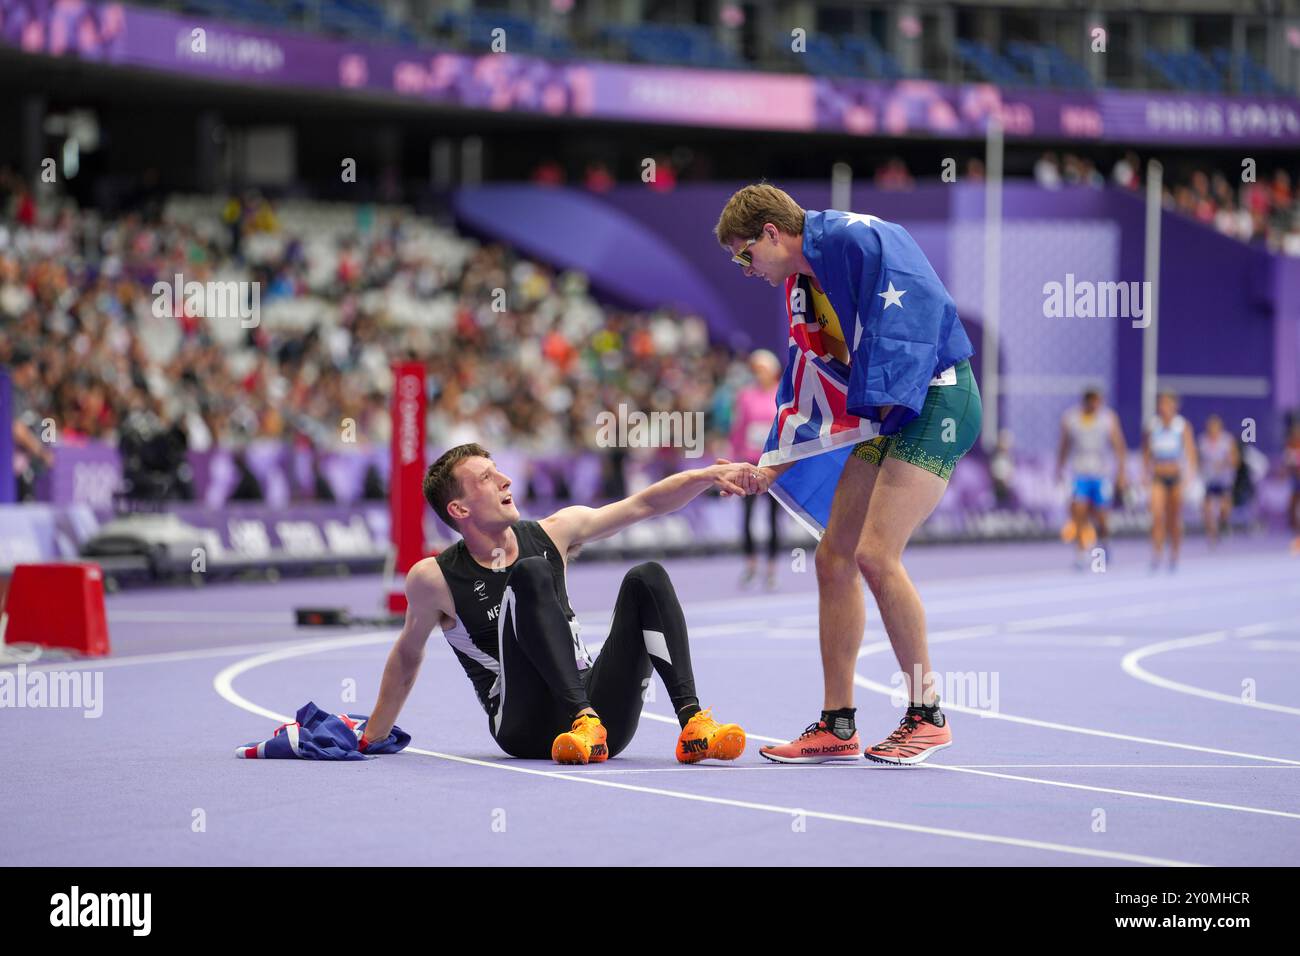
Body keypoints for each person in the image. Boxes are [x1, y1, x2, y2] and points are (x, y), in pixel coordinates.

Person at [715, 184, 981, 765]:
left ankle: (927, 714)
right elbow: (807, 374)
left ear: (771, 234)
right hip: (888, 414)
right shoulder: (801, 285)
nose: (744, 269)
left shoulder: (855, 237)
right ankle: (838, 725)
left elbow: (916, 308)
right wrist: (769, 465)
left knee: (875, 554)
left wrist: (883, 411)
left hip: (934, 399)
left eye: (744, 255)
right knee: (834, 557)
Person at [360, 443, 749, 766]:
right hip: (524, 724)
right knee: (530, 574)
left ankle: (693, 724)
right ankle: (581, 718)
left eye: (497, 470)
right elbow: (408, 654)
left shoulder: (554, 533)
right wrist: (373, 733)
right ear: (460, 510)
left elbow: (644, 505)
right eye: (486, 478)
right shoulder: (434, 578)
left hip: (603, 716)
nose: (505, 479)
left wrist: (705, 476)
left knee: (647, 577)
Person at [1055, 387, 1127, 569]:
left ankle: (1103, 550)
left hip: (1100, 475)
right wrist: (1059, 467)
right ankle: (1080, 555)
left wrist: (1121, 473)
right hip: (1079, 474)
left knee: (1101, 518)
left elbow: (1119, 446)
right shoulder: (1071, 419)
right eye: (1094, 402)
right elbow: (1064, 445)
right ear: (1086, 401)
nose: (1097, 405)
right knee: (1079, 513)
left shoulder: (1108, 419)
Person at [730, 349, 782, 589]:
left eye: (762, 369)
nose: (758, 374)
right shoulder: (745, 396)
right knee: (748, 516)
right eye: (755, 370)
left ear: (772, 371)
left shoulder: (782, 394)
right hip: (749, 464)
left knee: (773, 518)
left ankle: (771, 569)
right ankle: (750, 564)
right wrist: (734, 458)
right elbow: (739, 429)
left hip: (772, 464)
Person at [1143, 391, 1197, 572]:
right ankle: (1156, 554)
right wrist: (1145, 473)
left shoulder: (1181, 426)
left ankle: (1174, 555)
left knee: (1174, 519)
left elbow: (1190, 452)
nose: (1163, 408)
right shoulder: (1153, 426)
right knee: (1157, 516)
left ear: (1175, 406)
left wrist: (1190, 475)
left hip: (1176, 477)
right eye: (1161, 404)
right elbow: (1147, 453)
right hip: (1158, 476)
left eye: (1167, 404)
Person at [1198, 414, 1239, 548]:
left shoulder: (1227, 441)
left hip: (1224, 479)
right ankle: (1211, 536)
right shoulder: (1203, 441)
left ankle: (1223, 523)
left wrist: (1224, 463)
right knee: (1207, 509)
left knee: (1224, 508)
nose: (1212, 429)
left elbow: (1235, 461)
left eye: (1215, 427)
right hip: (1209, 480)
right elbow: (1198, 459)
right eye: (1210, 427)